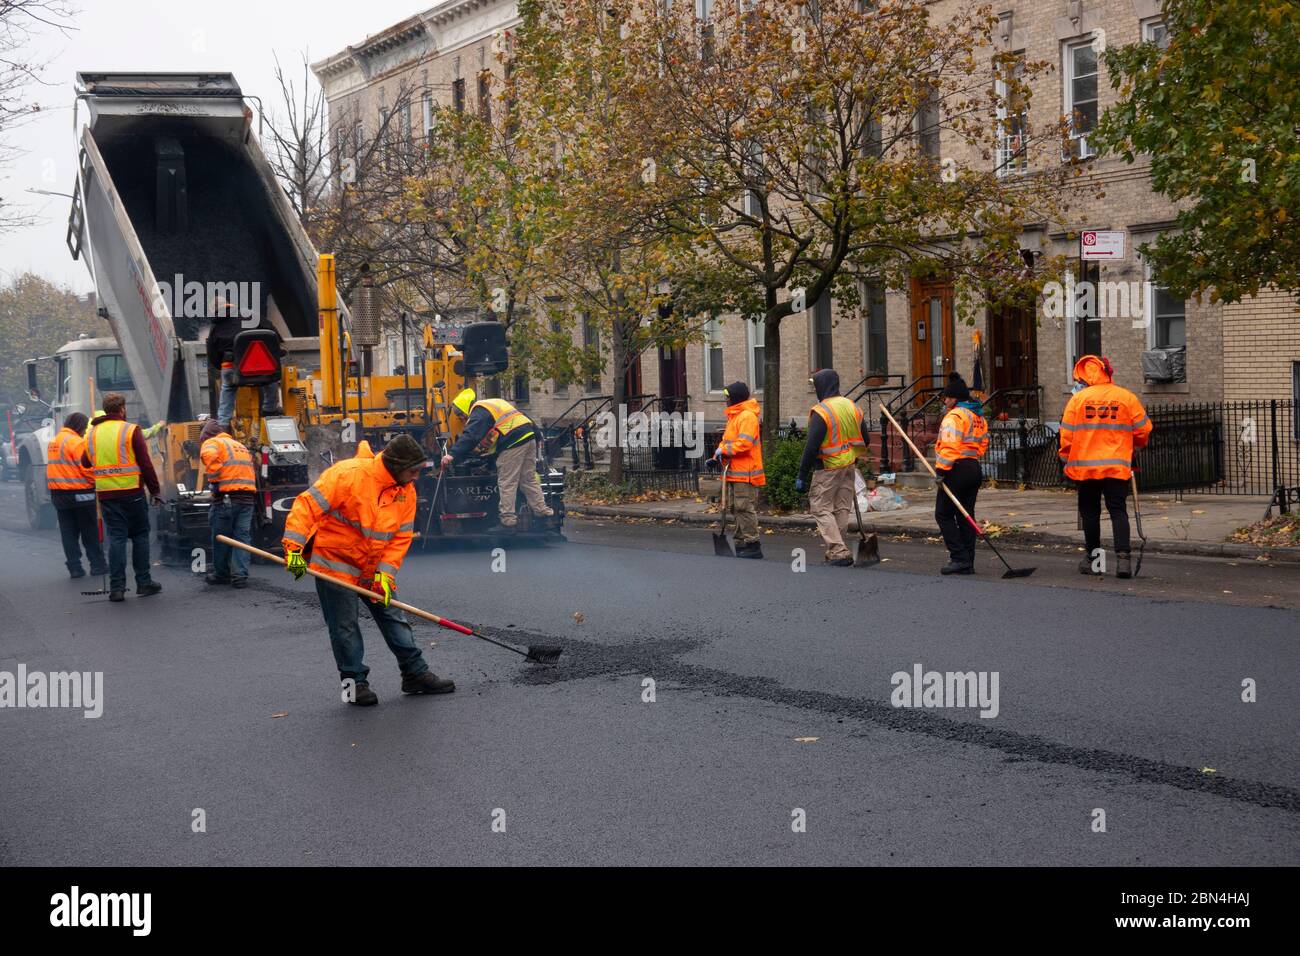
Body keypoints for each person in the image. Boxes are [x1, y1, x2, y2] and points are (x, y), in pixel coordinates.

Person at [283, 435, 453, 706]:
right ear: (396, 466)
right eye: (413, 471)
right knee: (345, 627)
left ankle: (415, 674)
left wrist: (384, 576)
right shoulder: (347, 475)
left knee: (394, 618)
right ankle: (355, 685)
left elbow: (400, 538)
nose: (417, 477)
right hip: (335, 564)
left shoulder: (404, 490)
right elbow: (306, 506)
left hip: (373, 569)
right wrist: (293, 548)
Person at [1059, 355, 1153, 579]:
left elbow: (1067, 435)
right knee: (1118, 510)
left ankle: (1095, 561)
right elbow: (1143, 430)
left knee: (1090, 513)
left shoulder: (1078, 400)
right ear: (1108, 372)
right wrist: (1135, 447)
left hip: (1086, 467)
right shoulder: (1125, 397)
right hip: (1116, 465)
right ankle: (1123, 562)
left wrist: (1065, 457)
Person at [81, 393, 162, 602]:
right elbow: (145, 464)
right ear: (122, 409)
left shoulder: (91, 434)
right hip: (132, 493)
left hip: (107, 495)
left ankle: (117, 588)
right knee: (140, 536)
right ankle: (144, 583)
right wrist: (155, 491)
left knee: (116, 539)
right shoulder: (130, 430)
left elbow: (86, 462)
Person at [440, 388, 554, 530]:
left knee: (507, 481)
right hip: (529, 438)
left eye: (460, 414)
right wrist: (537, 437)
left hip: (513, 443)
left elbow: (472, 435)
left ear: (465, 408)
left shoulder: (479, 410)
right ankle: (543, 515)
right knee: (528, 479)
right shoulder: (497, 403)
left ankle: (507, 522)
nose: (462, 418)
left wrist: (452, 454)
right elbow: (524, 417)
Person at [795, 369, 867, 566]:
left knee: (820, 507)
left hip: (827, 467)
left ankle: (838, 550)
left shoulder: (822, 411)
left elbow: (811, 446)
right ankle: (838, 549)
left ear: (821, 386)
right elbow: (865, 439)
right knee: (841, 507)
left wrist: (802, 474)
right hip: (848, 465)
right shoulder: (853, 406)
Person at [933, 373, 989, 575]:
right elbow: (983, 444)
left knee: (943, 514)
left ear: (955, 398)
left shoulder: (954, 417)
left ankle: (958, 557)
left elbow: (949, 446)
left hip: (956, 470)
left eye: (947, 397)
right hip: (973, 468)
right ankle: (968, 560)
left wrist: (941, 471)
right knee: (966, 515)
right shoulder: (977, 417)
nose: (944, 400)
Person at [46, 412, 106, 579]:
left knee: (68, 532)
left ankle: (74, 567)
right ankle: (97, 565)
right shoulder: (77, 442)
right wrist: (99, 481)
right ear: (80, 426)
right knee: (89, 531)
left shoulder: (54, 441)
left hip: (58, 494)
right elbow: (86, 468)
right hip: (80, 493)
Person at [199, 419, 257, 588]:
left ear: (207, 435)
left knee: (221, 537)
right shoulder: (239, 445)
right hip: (247, 499)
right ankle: (240, 576)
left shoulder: (212, 442)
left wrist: (215, 481)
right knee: (242, 538)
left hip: (227, 499)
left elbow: (210, 457)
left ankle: (222, 573)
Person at [710, 381, 765, 559]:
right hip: (734, 471)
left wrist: (723, 451)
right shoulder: (735, 416)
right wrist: (715, 456)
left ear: (735, 397)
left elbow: (744, 444)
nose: (725, 400)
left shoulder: (747, 416)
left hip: (745, 472)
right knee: (736, 507)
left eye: (727, 396)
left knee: (744, 508)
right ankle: (741, 542)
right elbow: (727, 442)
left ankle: (753, 544)